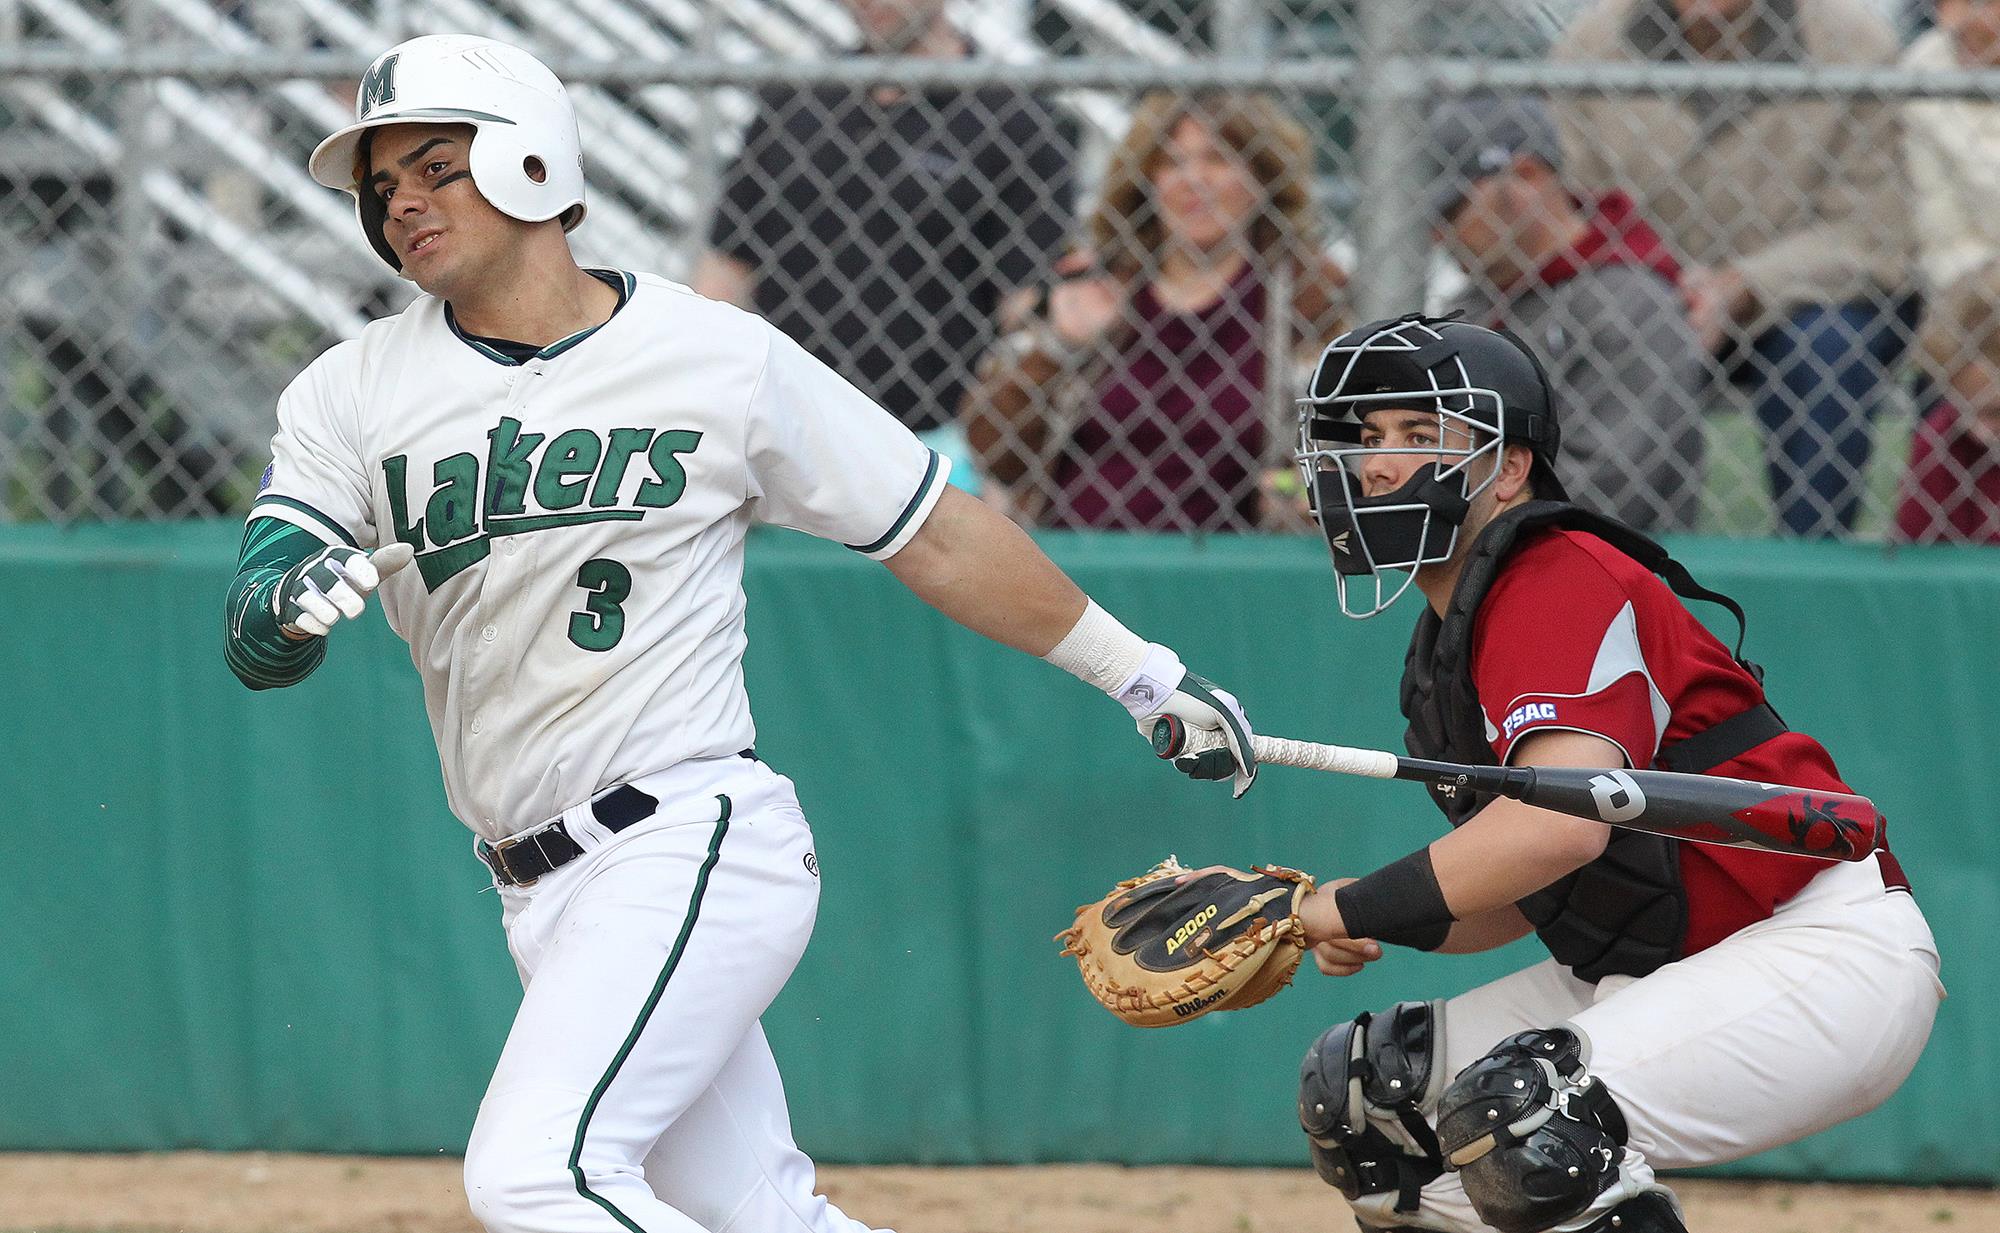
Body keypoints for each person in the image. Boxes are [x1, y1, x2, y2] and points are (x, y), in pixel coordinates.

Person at [223, 36, 1257, 1233]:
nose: (400, 201)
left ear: (530, 159)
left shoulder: (713, 353)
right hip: (533, 884)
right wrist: (284, 605)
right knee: (758, 1214)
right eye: (380, 184)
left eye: (434, 167)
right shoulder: (349, 387)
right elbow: (259, 611)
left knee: (537, 1177)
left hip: (685, 837)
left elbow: (932, 531)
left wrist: (1138, 675)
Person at [1281, 315, 1940, 1232]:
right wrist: (1322, 914)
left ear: (1508, 469)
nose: (1379, 464)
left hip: (1816, 951)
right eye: (1367, 436)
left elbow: (1559, 829)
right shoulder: (1451, 637)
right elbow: (1524, 894)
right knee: (1369, 1097)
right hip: (1678, 965)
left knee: (1523, 1118)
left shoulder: (1554, 577)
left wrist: (1345, 907)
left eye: (1419, 433)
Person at [1550, 0, 1916, 539]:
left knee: (1828, 345)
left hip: (1802, 299)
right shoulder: (1592, 45)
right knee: (1611, 329)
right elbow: (1578, 213)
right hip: (1648, 291)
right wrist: (1659, 284)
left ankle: (1810, 564)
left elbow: (1870, 231)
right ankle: (1605, 556)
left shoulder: (1856, 43)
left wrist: (1743, 284)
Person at [690, 0, 1076, 496]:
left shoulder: (1015, 120)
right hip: (780, 441)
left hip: (930, 452)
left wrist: (999, 458)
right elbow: (725, 274)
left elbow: (1021, 312)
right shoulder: (798, 101)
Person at [962, 91, 1347, 533]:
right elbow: (993, 454)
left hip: (1234, 560)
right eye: (1172, 163)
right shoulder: (1095, 281)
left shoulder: (1305, 296)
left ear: (1263, 179)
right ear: (1147, 182)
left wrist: (1299, 490)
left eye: (1218, 159)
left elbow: (1346, 441)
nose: (1194, 180)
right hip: (1071, 553)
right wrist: (1057, 348)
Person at [1431, 94, 1705, 532]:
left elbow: (1607, 490)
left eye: (1452, 210)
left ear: (1526, 176)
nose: (1437, 235)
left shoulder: (1628, 299)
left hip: (1594, 560)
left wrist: (1437, 508)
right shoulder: (1474, 302)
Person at [1896, 261, 2000, 544]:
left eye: (1996, 412)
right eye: (1963, 409)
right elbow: (1912, 548)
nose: (1980, 431)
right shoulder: (1940, 442)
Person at [1902, 0, 2000, 294]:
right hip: (1972, 278)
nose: (1952, 22)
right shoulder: (1925, 65)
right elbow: (1943, 235)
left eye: (1978, 2)